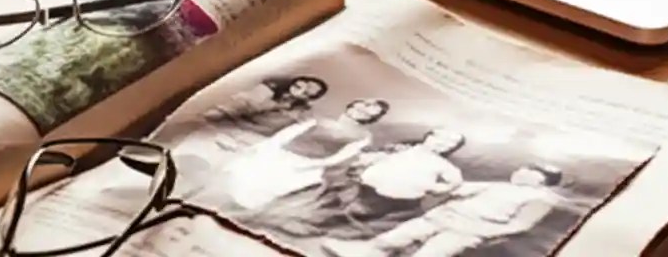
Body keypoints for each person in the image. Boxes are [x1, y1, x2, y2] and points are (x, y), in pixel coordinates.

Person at [322, 164, 563, 257]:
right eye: (522, 169)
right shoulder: (498, 185)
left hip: (471, 228)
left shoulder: (542, 198)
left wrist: (475, 229)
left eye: (533, 172)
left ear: (543, 181)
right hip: (444, 214)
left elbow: (520, 225)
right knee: (393, 238)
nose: (522, 173)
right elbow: (458, 188)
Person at [222, 98, 390, 212]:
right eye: (364, 105)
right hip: (280, 153)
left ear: (374, 117)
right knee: (244, 173)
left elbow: (338, 158)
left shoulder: (363, 137)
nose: (364, 111)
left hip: (307, 166)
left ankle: (238, 208)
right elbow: (284, 136)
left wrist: (306, 165)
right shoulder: (320, 120)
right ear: (354, 105)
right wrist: (268, 149)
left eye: (372, 111)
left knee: (266, 190)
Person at [312, 129, 466, 239]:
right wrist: (360, 166)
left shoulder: (442, 165)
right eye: (441, 137)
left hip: (399, 201)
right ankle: (335, 220)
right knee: (343, 204)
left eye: (451, 143)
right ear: (429, 136)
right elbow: (368, 157)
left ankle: (357, 229)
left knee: (377, 220)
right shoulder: (401, 150)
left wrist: (436, 189)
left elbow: (455, 182)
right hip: (365, 189)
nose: (444, 143)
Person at [203, 75, 328, 140]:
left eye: (308, 92)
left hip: (250, 130)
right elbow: (246, 101)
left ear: (307, 98)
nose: (303, 89)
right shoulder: (272, 87)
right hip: (234, 115)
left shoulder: (297, 110)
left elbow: (272, 127)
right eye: (307, 84)